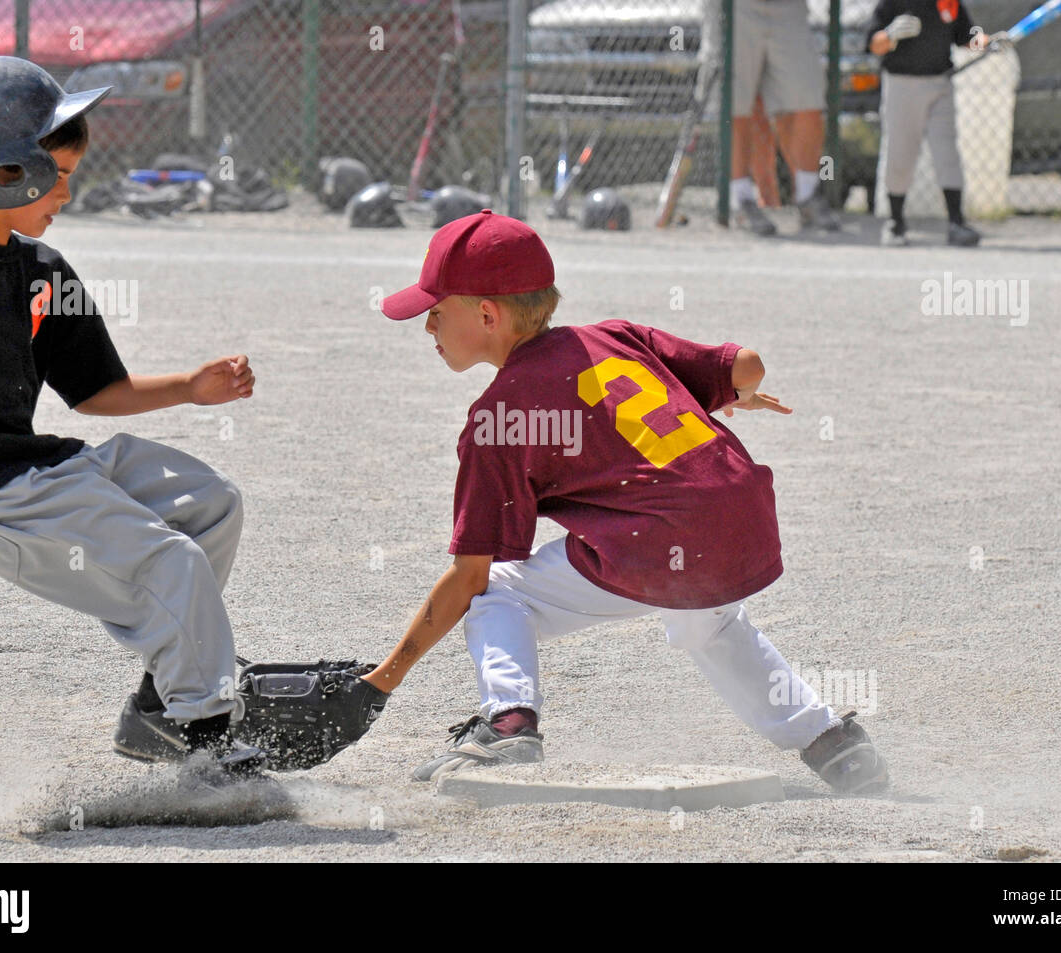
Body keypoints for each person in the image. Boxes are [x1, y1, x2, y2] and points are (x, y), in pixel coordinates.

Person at [361, 209, 889, 795]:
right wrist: (736, 394)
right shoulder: (614, 337)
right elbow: (745, 365)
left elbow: (469, 577)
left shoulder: (497, 418)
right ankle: (832, 744)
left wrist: (382, 680)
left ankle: (508, 721)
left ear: (487, 314)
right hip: (744, 519)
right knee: (707, 625)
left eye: (436, 312)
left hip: (663, 541)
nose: (427, 326)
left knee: (499, 591)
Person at [0, 57, 261, 771]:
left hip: (34, 466)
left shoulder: (43, 269)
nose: (68, 188)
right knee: (169, 560)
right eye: (54, 172)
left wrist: (189, 385)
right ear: (1, 174)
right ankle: (208, 745)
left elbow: (93, 391)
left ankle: (159, 706)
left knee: (209, 505)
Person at [868, 1, 992, 246]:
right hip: (902, 84)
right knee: (901, 152)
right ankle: (895, 222)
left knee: (947, 152)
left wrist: (990, 42)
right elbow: (873, 44)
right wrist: (889, 35)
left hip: (940, 84)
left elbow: (966, 36)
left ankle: (956, 223)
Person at [729, 0, 840, 235]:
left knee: (808, 97)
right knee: (736, 103)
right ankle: (740, 200)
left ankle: (807, 194)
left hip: (790, 8)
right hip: (737, 7)